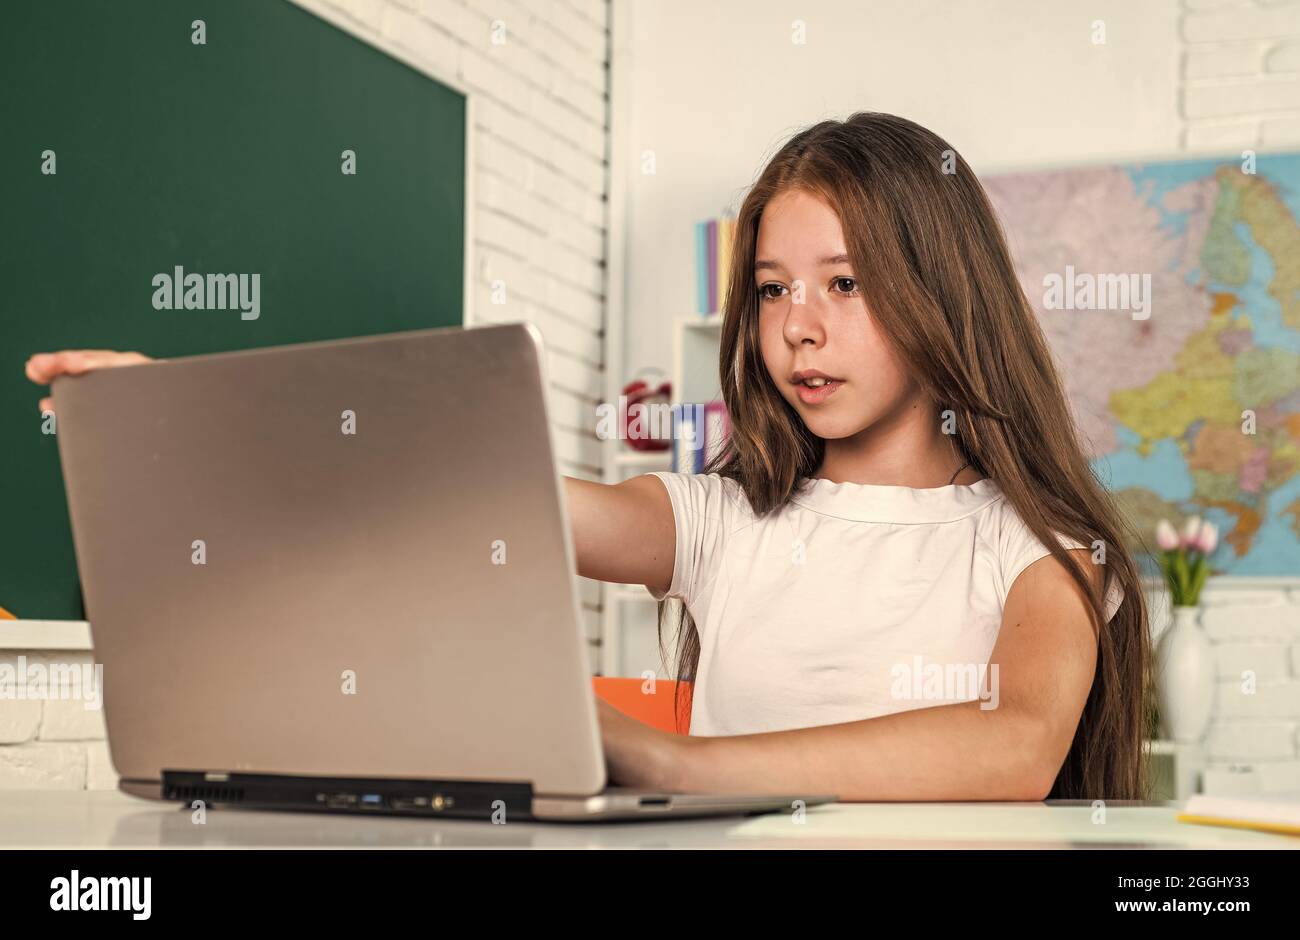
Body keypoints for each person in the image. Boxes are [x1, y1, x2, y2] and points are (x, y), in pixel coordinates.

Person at [27, 112, 1149, 802]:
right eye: (771, 289)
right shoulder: (721, 519)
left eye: (844, 283)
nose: (797, 324)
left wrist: (677, 767)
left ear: (942, 290)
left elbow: (1011, 747)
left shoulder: (1044, 546)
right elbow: (464, 502)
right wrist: (203, 414)